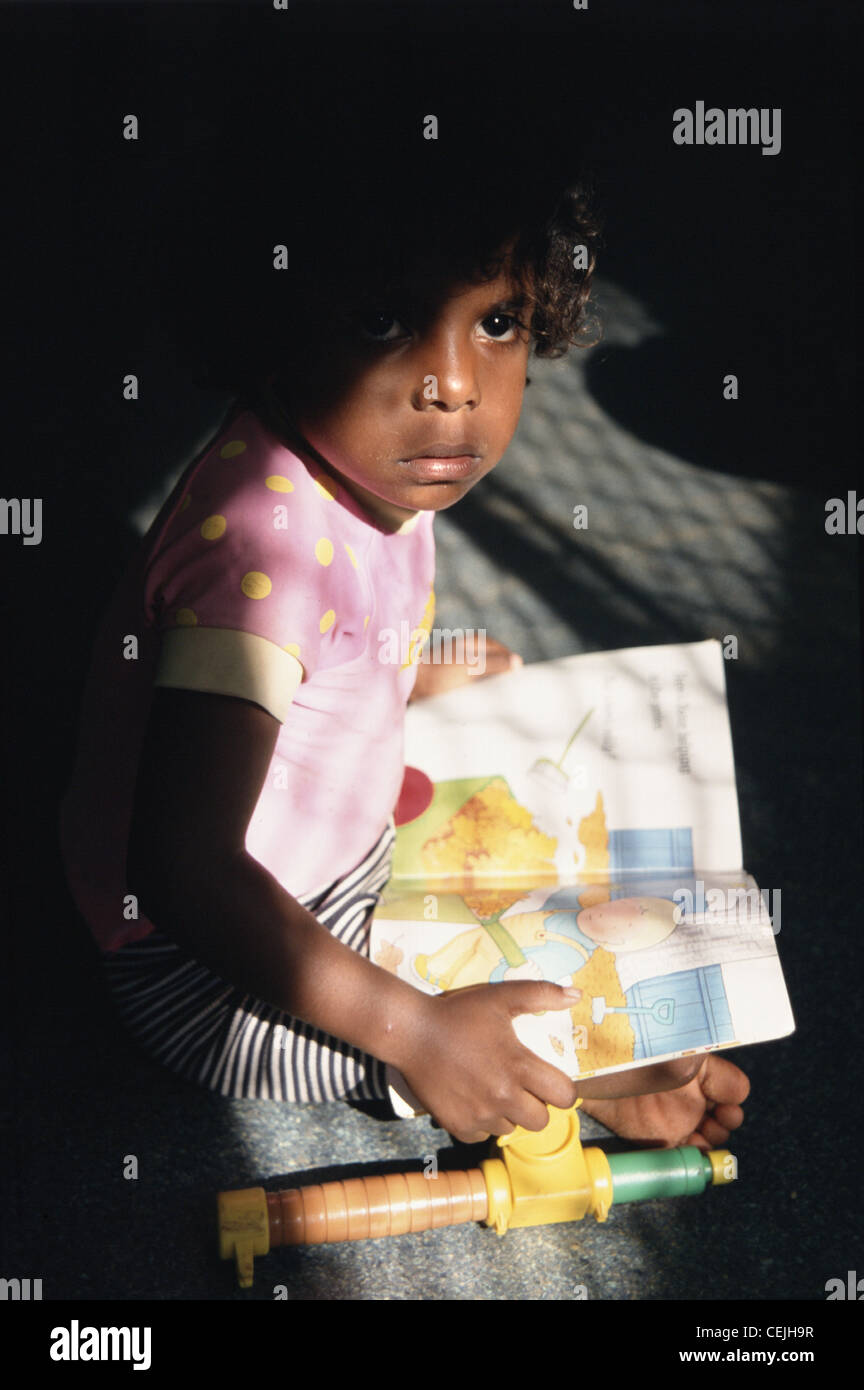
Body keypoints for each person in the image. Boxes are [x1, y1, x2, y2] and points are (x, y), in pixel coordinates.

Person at [59, 85, 748, 1151]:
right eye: (386, 319)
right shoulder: (264, 549)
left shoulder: (375, 463)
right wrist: (414, 1031)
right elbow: (184, 866)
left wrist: (397, 680)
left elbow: (323, 653)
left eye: (498, 322)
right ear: (270, 318)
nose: (451, 385)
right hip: (199, 962)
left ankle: (577, 1065)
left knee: (553, 853)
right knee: (451, 1017)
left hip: (320, 859)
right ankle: (576, 1079)